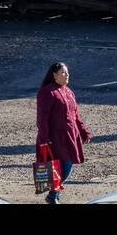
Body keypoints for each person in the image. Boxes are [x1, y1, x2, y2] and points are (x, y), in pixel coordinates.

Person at [35, 62, 91, 205]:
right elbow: (42, 117)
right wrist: (44, 137)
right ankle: (52, 195)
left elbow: (76, 115)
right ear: (54, 75)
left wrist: (84, 132)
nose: (67, 75)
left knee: (67, 164)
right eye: (64, 73)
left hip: (70, 136)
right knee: (64, 165)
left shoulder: (69, 92)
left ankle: (54, 196)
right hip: (54, 137)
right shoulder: (47, 92)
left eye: (67, 73)